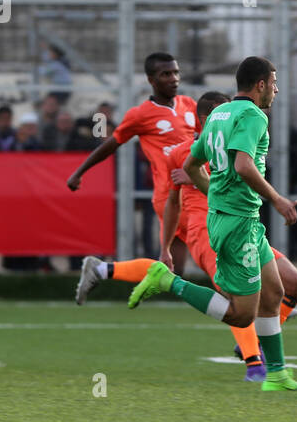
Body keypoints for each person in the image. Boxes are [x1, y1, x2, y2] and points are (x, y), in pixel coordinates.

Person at [127, 58, 297, 393]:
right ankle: (168, 282)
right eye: (273, 82)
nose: (276, 89)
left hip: (240, 219)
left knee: (274, 294)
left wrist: (218, 195)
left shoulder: (219, 114)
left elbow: (192, 164)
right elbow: (243, 165)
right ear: (259, 84)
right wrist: (277, 199)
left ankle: (276, 375)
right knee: (242, 315)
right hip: (236, 225)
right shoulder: (252, 115)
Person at [67, 52, 199, 283]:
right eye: (165, 74)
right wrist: (80, 171)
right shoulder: (141, 114)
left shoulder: (188, 105)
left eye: (176, 72)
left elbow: (208, 137)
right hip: (170, 194)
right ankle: (257, 305)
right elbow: (112, 143)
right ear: (151, 80)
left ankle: (103, 270)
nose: (173, 78)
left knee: (175, 272)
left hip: (193, 188)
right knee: (218, 245)